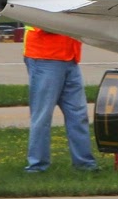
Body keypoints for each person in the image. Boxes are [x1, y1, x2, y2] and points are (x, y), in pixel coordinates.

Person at [22, 25, 98, 172]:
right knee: (42, 115)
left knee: (78, 114)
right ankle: (37, 166)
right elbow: (45, 22)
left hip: (69, 57)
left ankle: (85, 164)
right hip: (45, 56)